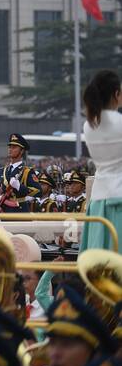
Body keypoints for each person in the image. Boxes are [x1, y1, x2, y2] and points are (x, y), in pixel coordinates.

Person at [81, 69, 122, 253]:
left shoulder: (89, 125)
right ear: (116, 94)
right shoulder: (119, 122)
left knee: (100, 261)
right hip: (119, 198)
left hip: (99, 199)